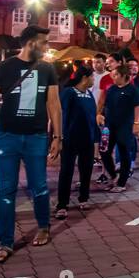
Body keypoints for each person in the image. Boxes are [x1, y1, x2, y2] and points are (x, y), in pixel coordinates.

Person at [0, 25, 62, 263]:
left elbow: (54, 104)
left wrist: (58, 137)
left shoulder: (47, 69)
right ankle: (4, 242)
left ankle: (43, 226)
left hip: (36, 137)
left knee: (39, 186)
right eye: (44, 42)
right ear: (31, 43)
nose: (47, 47)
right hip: (7, 136)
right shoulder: (4, 67)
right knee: (6, 190)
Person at [57, 65, 99, 219]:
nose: (94, 79)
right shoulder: (69, 93)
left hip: (87, 139)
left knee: (86, 170)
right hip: (70, 139)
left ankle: (84, 198)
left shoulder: (89, 94)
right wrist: (59, 137)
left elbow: (92, 117)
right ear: (84, 78)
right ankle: (62, 205)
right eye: (92, 76)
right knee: (66, 171)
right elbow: (61, 115)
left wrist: (95, 136)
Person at [98, 65, 139, 191]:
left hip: (125, 126)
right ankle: (113, 176)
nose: (113, 77)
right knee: (103, 150)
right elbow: (104, 104)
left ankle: (122, 183)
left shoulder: (133, 90)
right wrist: (99, 114)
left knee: (124, 152)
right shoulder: (112, 89)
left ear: (124, 76)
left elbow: (138, 106)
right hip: (109, 126)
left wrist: (137, 123)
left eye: (116, 74)